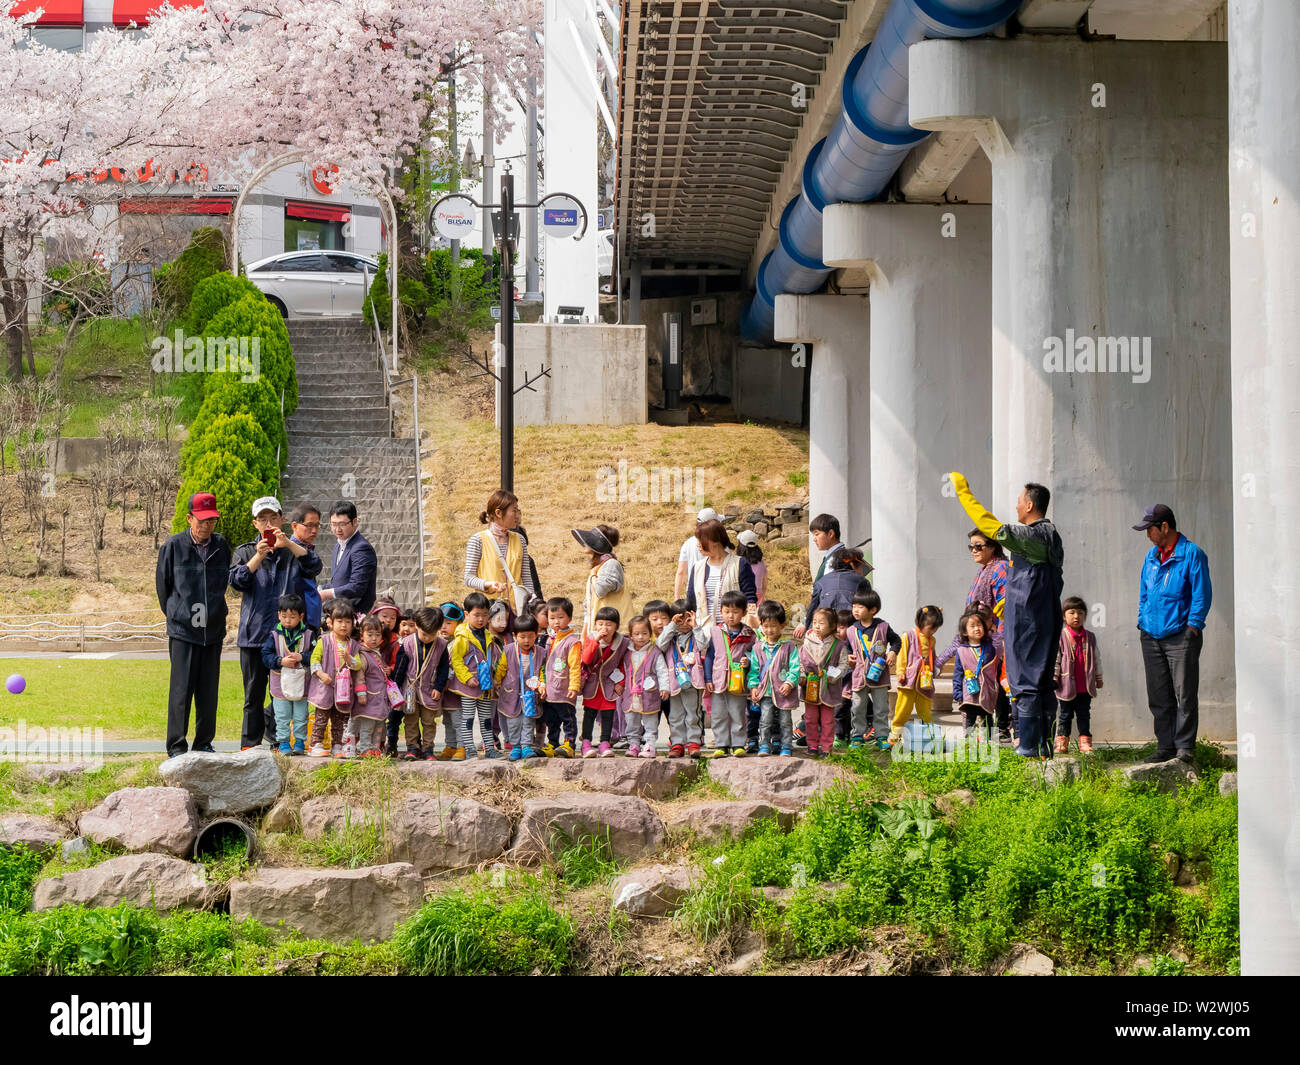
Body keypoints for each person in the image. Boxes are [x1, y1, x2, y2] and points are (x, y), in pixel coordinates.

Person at [950, 474, 1064, 759]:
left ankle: (1028, 746)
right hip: (1042, 619)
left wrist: (964, 493)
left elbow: (990, 525)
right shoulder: (1051, 537)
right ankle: (1042, 745)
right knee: (1041, 683)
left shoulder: (1033, 536)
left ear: (1028, 504)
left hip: (1029, 624)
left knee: (1025, 682)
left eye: (1018, 502)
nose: (1015, 507)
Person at [229, 496, 323, 751]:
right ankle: (249, 744)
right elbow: (237, 581)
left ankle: (278, 741)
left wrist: (289, 545)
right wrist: (257, 557)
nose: (268, 523)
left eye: (273, 518)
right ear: (255, 523)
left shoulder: (293, 550)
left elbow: (314, 566)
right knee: (253, 694)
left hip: (287, 636)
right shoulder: (246, 550)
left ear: (282, 520)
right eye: (262, 519)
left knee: (283, 693)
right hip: (254, 633)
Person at [1134, 504, 1210, 765]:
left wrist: (1193, 627)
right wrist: (1142, 620)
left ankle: (1185, 747)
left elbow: (1201, 594)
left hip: (1181, 635)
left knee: (1184, 693)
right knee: (1158, 694)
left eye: (1150, 530)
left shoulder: (1192, 554)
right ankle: (1165, 746)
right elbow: (1144, 592)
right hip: (1151, 635)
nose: (1148, 535)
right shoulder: (1151, 556)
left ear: (1164, 527)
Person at [157, 492, 232, 757]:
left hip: (212, 630)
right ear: (189, 518)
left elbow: (223, 582)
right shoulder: (173, 546)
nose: (206, 526)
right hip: (183, 630)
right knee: (181, 688)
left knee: (208, 689)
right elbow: (163, 588)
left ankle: (204, 742)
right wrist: (178, 615)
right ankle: (176, 745)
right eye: (201, 520)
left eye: (211, 520)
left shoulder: (221, 545)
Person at [940, 529, 1012, 741]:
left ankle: (1002, 729)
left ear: (993, 546)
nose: (973, 550)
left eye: (978, 546)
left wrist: (999, 643)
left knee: (995, 683)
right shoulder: (985, 570)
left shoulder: (1000, 569)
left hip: (994, 641)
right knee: (979, 686)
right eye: (971, 546)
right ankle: (981, 732)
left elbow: (1003, 610)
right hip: (979, 640)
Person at [447, 592, 508, 760]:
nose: (481, 619)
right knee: (467, 718)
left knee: (486, 719)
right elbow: (456, 660)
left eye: (484, 615)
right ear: (466, 615)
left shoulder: (489, 636)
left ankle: (489, 748)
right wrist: (466, 677)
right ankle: (470, 750)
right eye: (476, 615)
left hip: (485, 685)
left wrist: (496, 678)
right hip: (468, 686)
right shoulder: (461, 638)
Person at [306, 598, 365, 758]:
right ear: (330, 623)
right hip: (324, 687)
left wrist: (348, 658)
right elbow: (314, 660)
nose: (344, 625)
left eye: (348, 622)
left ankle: (337, 745)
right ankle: (315, 744)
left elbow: (358, 665)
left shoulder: (353, 645)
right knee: (321, 718)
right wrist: (320, 674)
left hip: (343, 691)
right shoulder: (323, 641)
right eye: (340, 621)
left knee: (339, 719)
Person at [464, 489, 538, 613]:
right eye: (514, 510)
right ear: (498, 513)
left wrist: (531, 602)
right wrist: (488, 584)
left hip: (516, 612)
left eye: (518, 510)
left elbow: (526, 579)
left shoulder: (520, 539)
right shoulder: (477, 540)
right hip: (490, 612)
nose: (517, 515)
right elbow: (468, 578)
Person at [703, 590, 756, 757]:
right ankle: (722, 744)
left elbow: (754, 655)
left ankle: (739, 744)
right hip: (719, 680)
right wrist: (708, 678)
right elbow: (710, 656)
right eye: (726, 612)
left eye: (735, 612)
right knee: (718, 715)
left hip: (738, 682)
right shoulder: (715, 632)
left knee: (738, 713)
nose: (730, 616)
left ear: (744, 613)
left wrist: (748, 661)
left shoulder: (749, 634)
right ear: (721, 612)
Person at [937, 607, 1004, 741]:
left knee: (988, 718)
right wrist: (957, 693)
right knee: (970, 719)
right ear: (965, 632)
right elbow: (958, 674)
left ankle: (989, 743)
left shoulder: (989, 648)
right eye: (972, 626)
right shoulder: (961, 651)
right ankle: (968, 743)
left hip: (986, 692)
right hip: (969, 694)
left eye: (979, 625)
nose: (977, 628)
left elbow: (996, 665)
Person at [393, 605, 449, 760]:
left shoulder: (441, 645)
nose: (427, 638)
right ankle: (412, 748)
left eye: (432, 635)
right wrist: (395, 689)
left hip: (430, 690)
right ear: (417, 625)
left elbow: (444, 669)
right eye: (424, 634)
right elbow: (400, 668)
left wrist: (438, 687)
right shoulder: (407, 643)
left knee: (429, 721)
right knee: (410, 720)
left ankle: (428, 749)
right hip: (409, 690)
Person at [684, 518, 758, 634]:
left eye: (701, 540)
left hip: (734, 632)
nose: (698, 545)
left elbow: (750, 598)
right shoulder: (698, 567)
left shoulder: (739, 564)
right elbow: (691, 600)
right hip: (705, 632)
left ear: (714, 541)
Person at [846, 588, 899, 747]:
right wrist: (848, 656)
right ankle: (857, 736)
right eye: (854, 606)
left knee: (881, 708)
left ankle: (882, 736)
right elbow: (847, 649)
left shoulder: (883, 627)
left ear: (873, 610)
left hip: (879, 677)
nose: (855, 609)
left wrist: (893, 652)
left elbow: (896, 640)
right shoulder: (851, 630)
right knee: (858, 708)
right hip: (859, 677)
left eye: (860, 607)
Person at [262, 592, 314, 756]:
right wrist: (279, 661)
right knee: (282, 716)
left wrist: (302, 657)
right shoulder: (274, 636)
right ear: (278, 615)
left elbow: (316, 655)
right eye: (284, 616)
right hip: (280, 684)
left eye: (292, 617)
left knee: (301, 715)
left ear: (301, 616)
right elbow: (265, 655)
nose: (287, 620)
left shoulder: (309, 635)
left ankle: (299, 741)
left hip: (302, 684)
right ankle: (283, 742)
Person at [747, 600, 800, 757]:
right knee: (765, 720)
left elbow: (795, 667)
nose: (769, 630)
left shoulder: (789, 647)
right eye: (766, 626)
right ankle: (764, 745)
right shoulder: (758, 647)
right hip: (766, 692)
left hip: (784, 692)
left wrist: (790, 682)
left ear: (782, 625)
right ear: (761, 625)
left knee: (785, 721)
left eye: (773, 626)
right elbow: (754, 670)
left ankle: (786, 746)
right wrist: (754, 686)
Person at [796, 606, 849, 758]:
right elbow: (799, 662)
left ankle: (827, 747)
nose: (817, 626)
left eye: (821, 623)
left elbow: (843, 664)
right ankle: (812, 745)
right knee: (810, 718)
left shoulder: (838, 645)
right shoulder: (806, 643)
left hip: (829, 688)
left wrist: (834, 675)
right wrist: (802, 676)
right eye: (814, 622)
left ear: (833, 626)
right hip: (810, 688)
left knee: (827, 720)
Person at [889, 606, 944, 748]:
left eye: (936, 629)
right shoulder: (907, 636)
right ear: (921, 623)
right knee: (903, 709)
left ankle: (930, 734)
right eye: (931, 628)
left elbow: (932, 656)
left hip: (924, 681)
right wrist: (900, 671)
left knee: (925, 709)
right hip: (908, 680)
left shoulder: (932, 640)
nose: (933, 632)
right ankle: (895, 734)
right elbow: (902, 655)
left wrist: (936, 667)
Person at [1054, 596, 1103, 754]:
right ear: (1064, 616)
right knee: (1065, 714)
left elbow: (1096, 658)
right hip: (1066, 685)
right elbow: (1057, 658)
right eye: (1072, 612)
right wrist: (1054, 677)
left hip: (1085, 685)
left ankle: (1085, 743)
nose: (1076, 616)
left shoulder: (1090, 637)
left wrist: (1098, 677)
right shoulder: (1061, 636)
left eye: (1080, 613)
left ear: (1085, 616)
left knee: (1084, 714)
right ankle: (1062, 742)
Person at [580, 605, 629, 757]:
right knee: (589, 714)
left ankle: (605, 743)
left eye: (609, 624)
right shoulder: (591, 638)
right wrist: (595, 641)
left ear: (616, 627)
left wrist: (620, 682)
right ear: (595, 625)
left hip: (609, 685)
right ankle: (586, 743)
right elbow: (586, 659)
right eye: (600, 624)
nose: (604, 628)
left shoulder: (622, 642)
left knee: (608, 715)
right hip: (592, 685)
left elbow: (623, 664)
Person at [620, 615, 670, 759]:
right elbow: (620, 670)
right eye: (636, 634)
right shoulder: (626, 653)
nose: (641, 637)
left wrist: (664, 687)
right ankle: (634, 744)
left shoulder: (654, 652)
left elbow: (662, 671)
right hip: (630, 695)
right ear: (630, 636)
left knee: (650, 721)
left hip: (649, 694)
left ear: (650, 634)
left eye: (644, 633)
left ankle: (649, 745)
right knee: (631, 721)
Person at [573, 525, 635, 640]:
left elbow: (600, 590)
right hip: (600, 632)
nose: (585, 543)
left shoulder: (611, 564)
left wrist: (595, 573)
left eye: (591, 540)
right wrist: (584, 634)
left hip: (616, 634)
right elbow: (589, 605)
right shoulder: (598, 567)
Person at [540, 596, 583, 757]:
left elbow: (574, 666)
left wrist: (574, 686)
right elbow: (544, 665)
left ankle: (569, 744)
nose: (556, 622)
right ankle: (552, 744)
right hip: (551, 690)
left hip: (564, 690)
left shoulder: (572, 641)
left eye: (560, 617)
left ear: (569, 618)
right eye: (552, 618)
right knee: (552, 720)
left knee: (568, 719)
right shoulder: (550, 640)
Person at [794, 513, 848, 639]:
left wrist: (807, 622)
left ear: (830, 534)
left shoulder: (834, 560)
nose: (814, 539)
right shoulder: (844, 555)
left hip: (830, 621)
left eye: (817, 534)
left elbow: (824, 595)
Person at [320, 500, 377, 616]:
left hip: (358, 616)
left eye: (342, 524)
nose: (337, 529)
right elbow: (340, 582)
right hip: (340, 615)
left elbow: (357, 587)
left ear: (354, 522)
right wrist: (320, 588)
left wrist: (326, 594)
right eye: (334, 524)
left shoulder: (361, 548)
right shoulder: (338, 546)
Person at [499, 614, 544, 760]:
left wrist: (542, 685)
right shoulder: (508, 650)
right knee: (513, 722)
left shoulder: (541, 653)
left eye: (530, 636)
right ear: (515, 636)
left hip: (530, 697)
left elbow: (543, 671)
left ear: (536, 635)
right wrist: (495, 684)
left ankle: (526, 746)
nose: (526, 640)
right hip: (511, 694)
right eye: (522, 637)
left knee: (528, 721)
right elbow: (501, 669)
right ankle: (515, 747)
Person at [352, 616, 392, 757]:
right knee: (367, 725)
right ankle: (364, 748)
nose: (374, 638)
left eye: (377, 634)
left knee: (379, 726)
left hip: (379, 698)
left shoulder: (377, 653)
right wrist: (361, 693)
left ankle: (376, 749)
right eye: (370, 635)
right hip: (368, 698)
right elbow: (359, 675)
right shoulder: (362, 654)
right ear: (362, 635)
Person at [287, 504, 324, 632]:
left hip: (310, 620)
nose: (314, 530)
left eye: (317, 525)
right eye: (309, 525)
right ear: (294, 526)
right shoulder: (287, 552)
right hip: (298, 621)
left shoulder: (307, 550)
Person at [810, 547, 873, 617]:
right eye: (861, 567)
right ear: (852, 565)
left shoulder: (821, 581)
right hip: (851, 623)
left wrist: (807, 625)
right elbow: (868, 610)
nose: (862, 571)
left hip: (826, 623)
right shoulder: (863, 582)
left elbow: (812, 609)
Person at [674, 506, 719, 599]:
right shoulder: (720, 544)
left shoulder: (688, 543)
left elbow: (681, 572)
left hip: (693, 590)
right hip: (714, 590)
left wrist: (677, 597)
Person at [736, 530, 768, 604]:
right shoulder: (761, 563)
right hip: (758, 598)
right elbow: (764, 583)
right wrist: (762, 596)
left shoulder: (738, 563)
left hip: (742, 598)